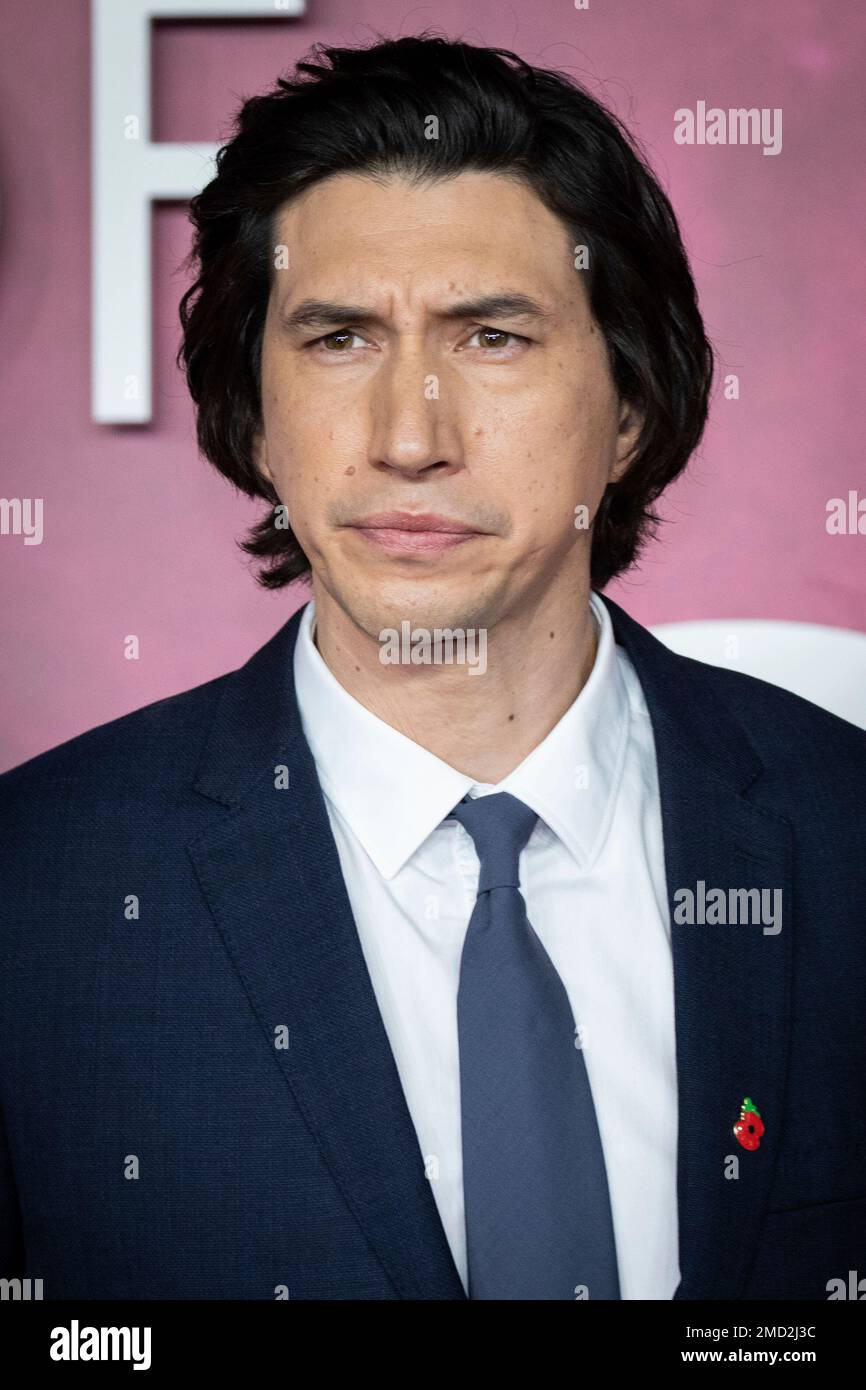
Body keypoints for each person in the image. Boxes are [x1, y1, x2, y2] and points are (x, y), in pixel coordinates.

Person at [1, 34, 864, 1302]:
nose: (410, 436)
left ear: (628, 406)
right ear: (250, 411)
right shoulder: (33, 890)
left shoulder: (840, 830)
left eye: (492, 337)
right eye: (338, 338)